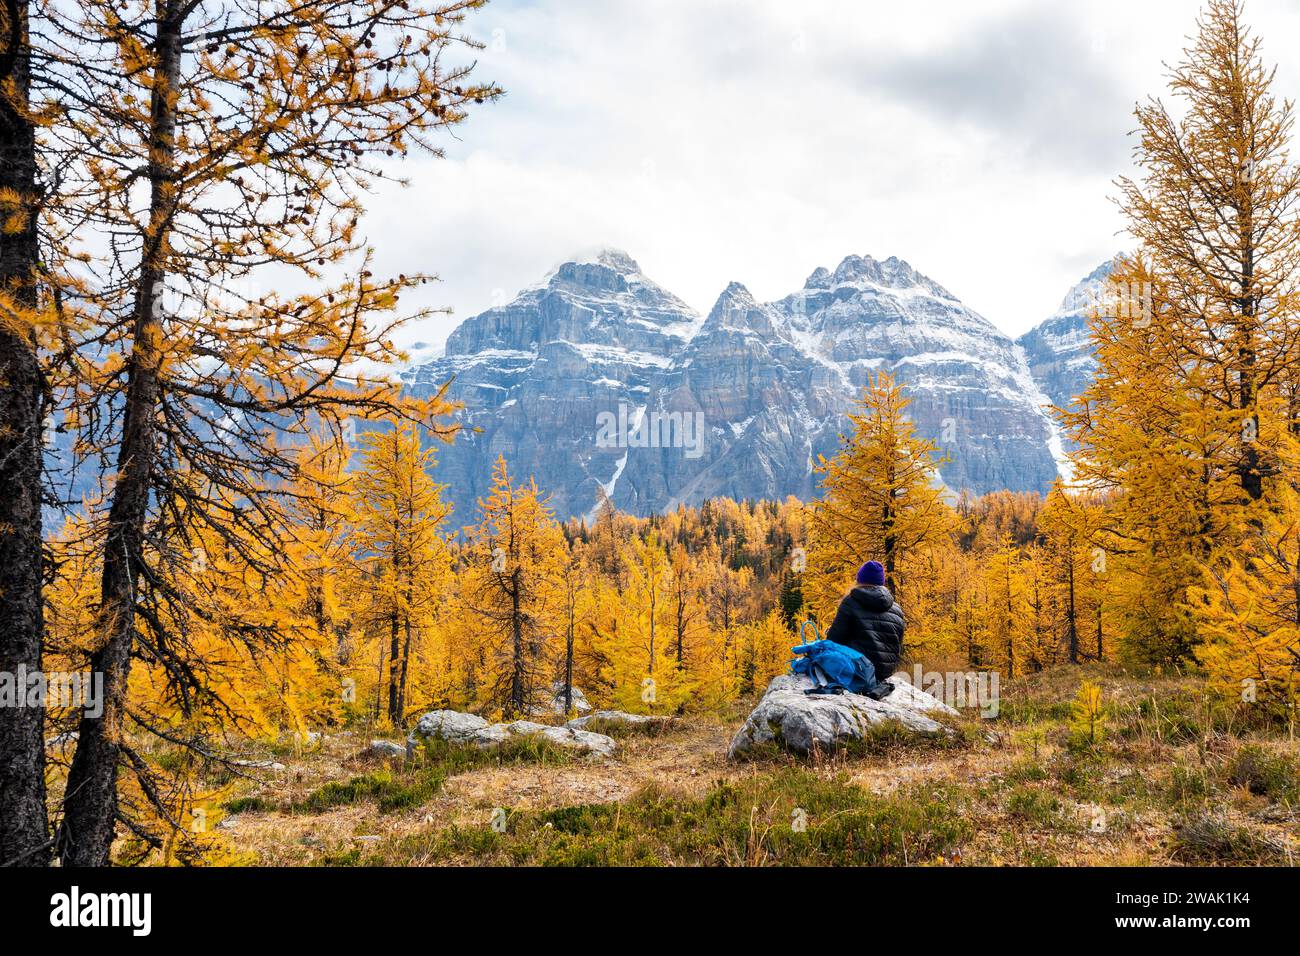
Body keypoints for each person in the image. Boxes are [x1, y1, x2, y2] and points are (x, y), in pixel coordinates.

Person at [824, 560, 904, 700]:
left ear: (859, 580)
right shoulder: (897, 609)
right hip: (884, 673)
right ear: (881, 582)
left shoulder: (851, 602)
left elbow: (833, 641)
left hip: (859, 671)